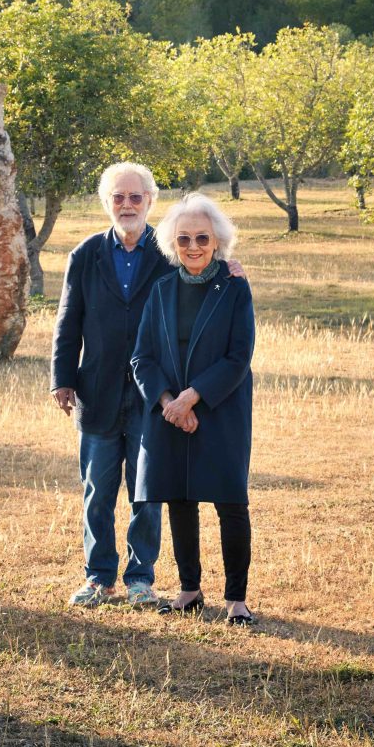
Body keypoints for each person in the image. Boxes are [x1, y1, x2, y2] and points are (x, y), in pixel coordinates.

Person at [131, 192, 258, 625]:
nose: (193, 247)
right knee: (179, 499)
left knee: (230, 502)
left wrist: (193, 396)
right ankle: (190, 590)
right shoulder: (161, 290)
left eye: (202, 238)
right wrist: (170, 403)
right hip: (171, 414)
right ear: (173, 243)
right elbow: (142, 357)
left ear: (217, 240)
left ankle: (236, 600)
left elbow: (239, 356)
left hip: (220, 410)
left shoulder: (235, 287)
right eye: (183, 239)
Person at [49, 162, 171, 608]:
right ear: (106, 202)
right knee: (97, 492)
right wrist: (62, 378)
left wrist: (232, 267)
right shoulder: (85, 254)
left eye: (135, 197)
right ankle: (99, 577)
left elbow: (205, 273)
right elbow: (68, 322)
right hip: (96, 391)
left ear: (150, 201)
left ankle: (140, 578)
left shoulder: (170, 251)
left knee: (146, 493)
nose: (127, 205)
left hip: (152, 393)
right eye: (118, 197)